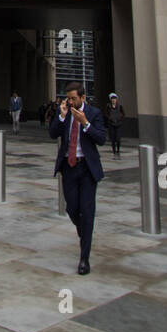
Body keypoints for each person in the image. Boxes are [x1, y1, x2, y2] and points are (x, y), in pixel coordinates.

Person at [50, 81, 105, 275]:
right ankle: (84, 232)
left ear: (83, 98)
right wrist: (62, 117)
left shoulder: (94, 114)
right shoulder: (65, 113)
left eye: (74, 98)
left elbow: (101, 138)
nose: (71, 102)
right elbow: (52, 133)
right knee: (72, 208)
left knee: (87, 211)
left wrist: (85, 124)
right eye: (69, 98)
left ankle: (84, 258)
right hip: (69, 167)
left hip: (87, 169)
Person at [103, 92, 126, 158]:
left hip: (118, 124)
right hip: (111, 124)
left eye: (115, 99)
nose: (114, 100)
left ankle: (118, 151)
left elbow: (123, 113)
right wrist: (110, 118)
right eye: (112, 99)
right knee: (113, 139)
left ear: (116, 99)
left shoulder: (120, 106)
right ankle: (114, 151)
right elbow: (106, 114)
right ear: (111, 100)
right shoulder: (108, 106)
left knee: (118, 139)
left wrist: (120, 118)